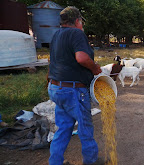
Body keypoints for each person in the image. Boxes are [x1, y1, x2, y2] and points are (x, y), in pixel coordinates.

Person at [47, 6, 103, 165]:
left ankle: (55, 162)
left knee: (63, 127)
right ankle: (91, 161)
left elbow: (54, 62)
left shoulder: (56, 35)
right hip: (73, 90)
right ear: (77, 21)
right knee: (85, 127)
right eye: (81, 21)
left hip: (56, 87)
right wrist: (95, 68)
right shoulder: (77, 33)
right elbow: (82, 58)